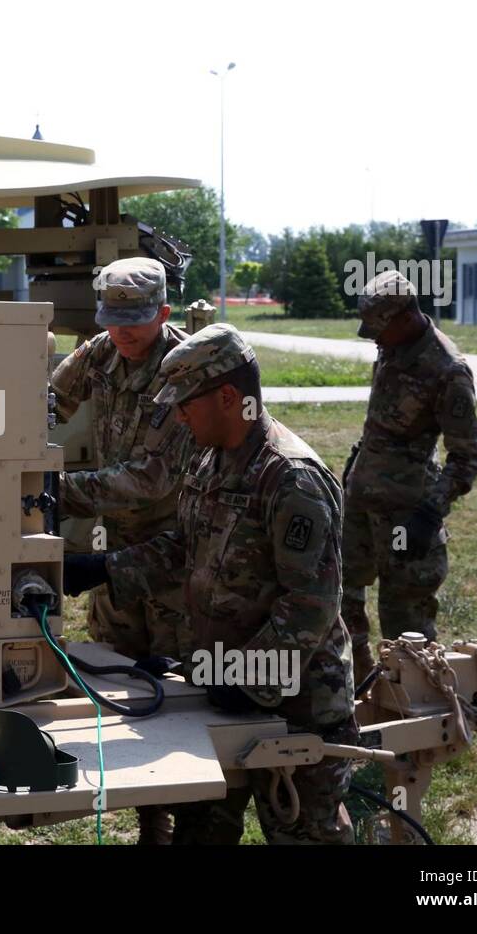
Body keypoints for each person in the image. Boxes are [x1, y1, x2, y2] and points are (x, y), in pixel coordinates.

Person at [65, 324, 357, 844]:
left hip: (295, 708)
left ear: (227, 396)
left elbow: (309, 606)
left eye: (185, 403)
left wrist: (243, 676)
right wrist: (103, 568)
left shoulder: (290, 478)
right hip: (221, 695)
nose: (177, 415)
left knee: (303, 834)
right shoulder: (207, 458)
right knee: (198, 833)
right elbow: (185, 547)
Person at [49, 256, 196, 844]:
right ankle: (151, 824)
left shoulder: (187, 367)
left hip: (176, 550)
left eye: (136, 320)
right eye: (113, 319)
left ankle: (193, 820)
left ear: (164, 312)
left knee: (180, 690)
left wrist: (52, 492)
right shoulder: (100, 352)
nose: (124, 332)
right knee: (119, 683)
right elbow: (49, 401)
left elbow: (155, 476)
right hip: (118, 549)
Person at [340, 270, 477, 685]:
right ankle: (361, 687)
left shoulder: (447, 370)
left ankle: (421, 719)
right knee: (341, 595)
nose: (374, 338)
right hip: (362, 502)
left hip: (405, 515)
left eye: (379, 329)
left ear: (404, 316)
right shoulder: (393, 347)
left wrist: (427, 515)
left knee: (405, 625)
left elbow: (467, 458)